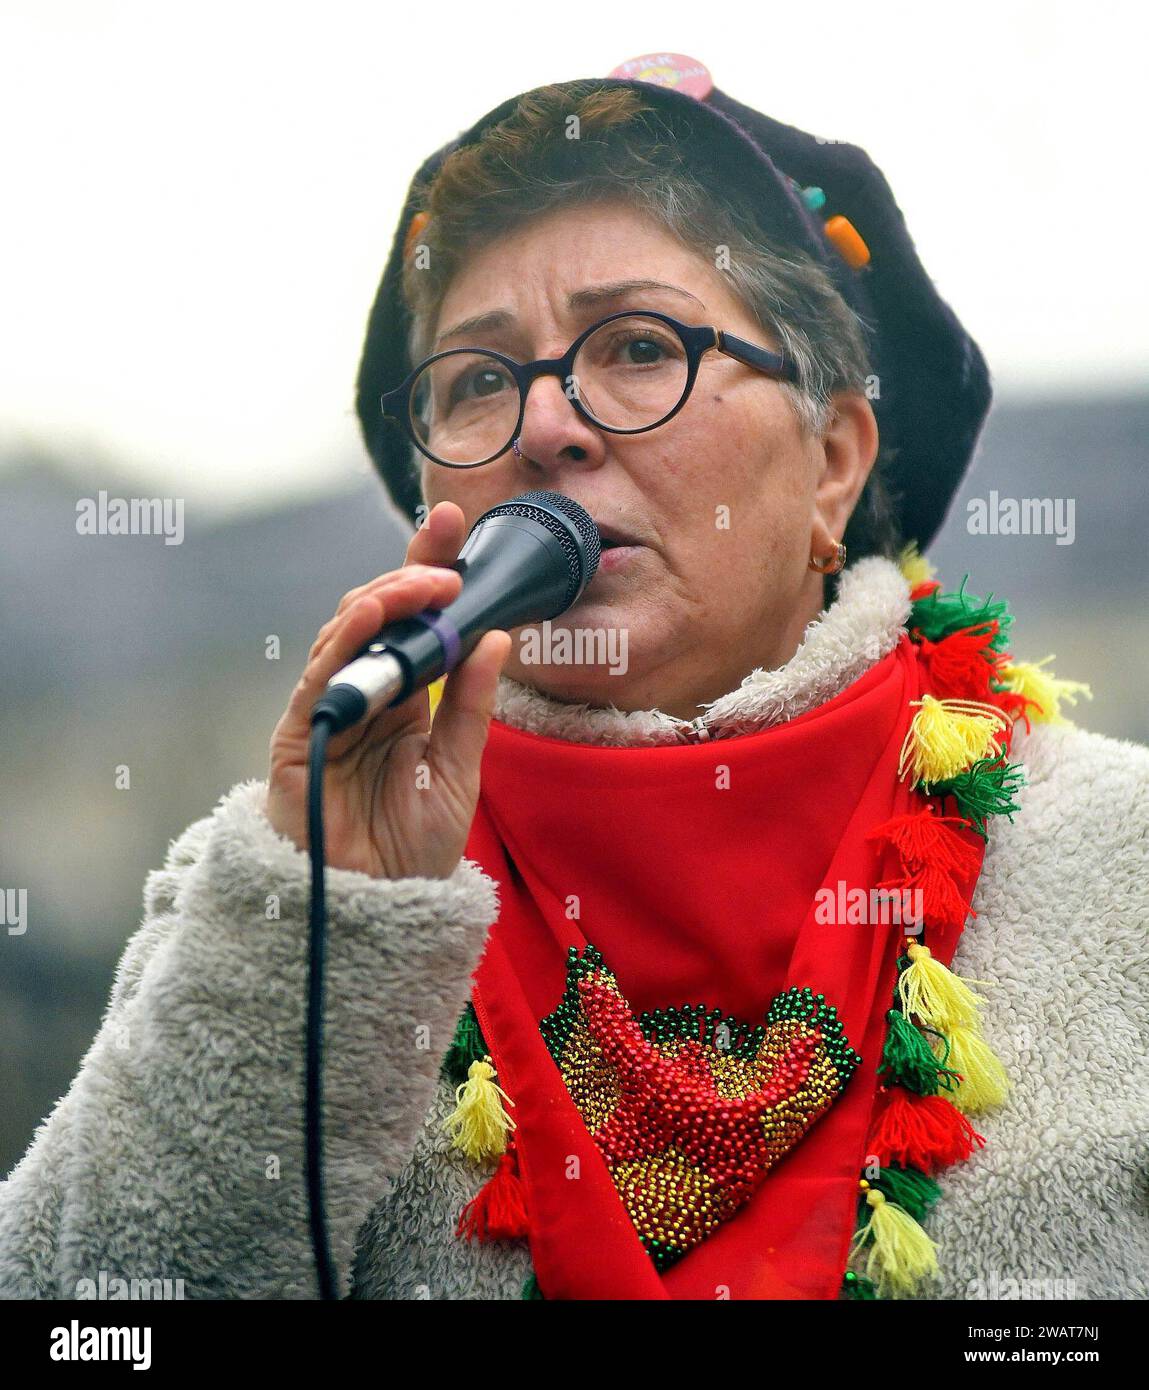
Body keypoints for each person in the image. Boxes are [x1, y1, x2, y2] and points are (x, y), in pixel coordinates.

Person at [2, 59, 1146, 1302]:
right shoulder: (289, 881)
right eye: (480, 379)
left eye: (640, 346)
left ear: (829, 460)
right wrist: (321, 935)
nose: (547, 425)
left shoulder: (1120, 865)